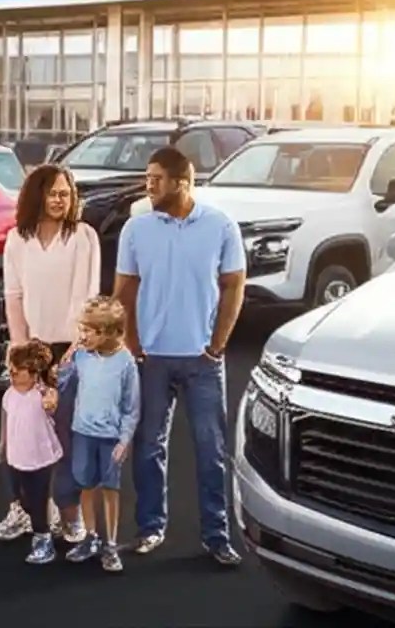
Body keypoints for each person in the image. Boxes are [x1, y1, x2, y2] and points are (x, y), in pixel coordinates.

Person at [114, 146, 246, 567]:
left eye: (156, 179)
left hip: (202, 361)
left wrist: (217, 345)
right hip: (152, 359)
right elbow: (124, 291)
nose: (147, 185)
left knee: (211, 449)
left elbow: (234, 285)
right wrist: (132, 344)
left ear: (182, 183)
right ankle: (150, 528)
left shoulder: (221, 226)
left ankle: (217, 535)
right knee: (148, 447)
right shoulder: (136, 230)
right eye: (147, 178)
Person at [0, 164, 100, 544]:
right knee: (15, 437)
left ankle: (67, 516)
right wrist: (20, 351)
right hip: (30, 349)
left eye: (65, 193)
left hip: (71, 350)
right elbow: (14, 297)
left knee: (65, 439)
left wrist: (70, 355)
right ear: (36, 195)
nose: (59, 200)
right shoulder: (17, 240)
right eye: (52, 193)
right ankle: (20, 510)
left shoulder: (83, 237)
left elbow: (88, 299)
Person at [56, 296, 140, 573]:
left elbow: (131, 407)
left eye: (89, 331)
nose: (83, 337)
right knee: (86, 484)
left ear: (108, 332)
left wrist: (124, 440)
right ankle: (91, 537)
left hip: (110, 436)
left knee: (110, 488)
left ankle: (111, 544)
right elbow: (62, 382)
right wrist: (66, 360)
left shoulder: (126, 363)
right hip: (83, 432)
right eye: (82, 330)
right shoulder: (81, 356)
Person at [0, 340, 65, 565]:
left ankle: (43, 538)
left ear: (34, 372)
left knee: (36, 499)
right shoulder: (9, 395)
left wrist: (50, 398)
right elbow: (5, 423)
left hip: (40, 459)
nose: (13, 374)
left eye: (18, 370)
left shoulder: (42, 395)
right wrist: (3, 447)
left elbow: (52, 405)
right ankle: (45, 517)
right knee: (23, 499)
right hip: (16, 458)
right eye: (11, 370)